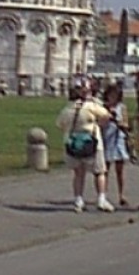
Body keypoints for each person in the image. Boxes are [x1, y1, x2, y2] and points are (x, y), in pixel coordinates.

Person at [56, 84, 114, 213]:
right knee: (99, 172)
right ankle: (101, 199)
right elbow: (107, 116)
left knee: (78, 174)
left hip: (73, 143)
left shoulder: (66, 109)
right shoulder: (91, 106)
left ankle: (78, 200)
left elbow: (59, 124)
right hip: (92, 142)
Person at [100, 83, 130, 206]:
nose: (113, 97)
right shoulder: (102, 107)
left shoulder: (122, 107)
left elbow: (126, 124)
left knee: (120, 170)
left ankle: (121, 194)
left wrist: (119, 122)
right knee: (105, 169)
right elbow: (99, 123)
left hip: (118, 139)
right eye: (111, 95)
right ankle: (103, 194)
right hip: (106, 138)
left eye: (116, 95)